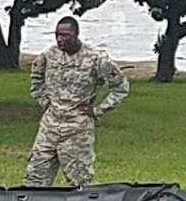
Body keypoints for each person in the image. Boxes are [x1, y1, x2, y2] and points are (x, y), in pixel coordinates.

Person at [24, 16, 128, 188]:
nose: (60, 39)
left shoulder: (96, 59)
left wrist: (98, 110)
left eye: (65, 35)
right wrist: (45, 102)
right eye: (57, 35)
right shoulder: (49, 55)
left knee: (79, 183)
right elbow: (36, 79)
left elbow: (120, 87)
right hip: (49, 126)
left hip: (77, 129)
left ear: (76, 34)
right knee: (34, 179)